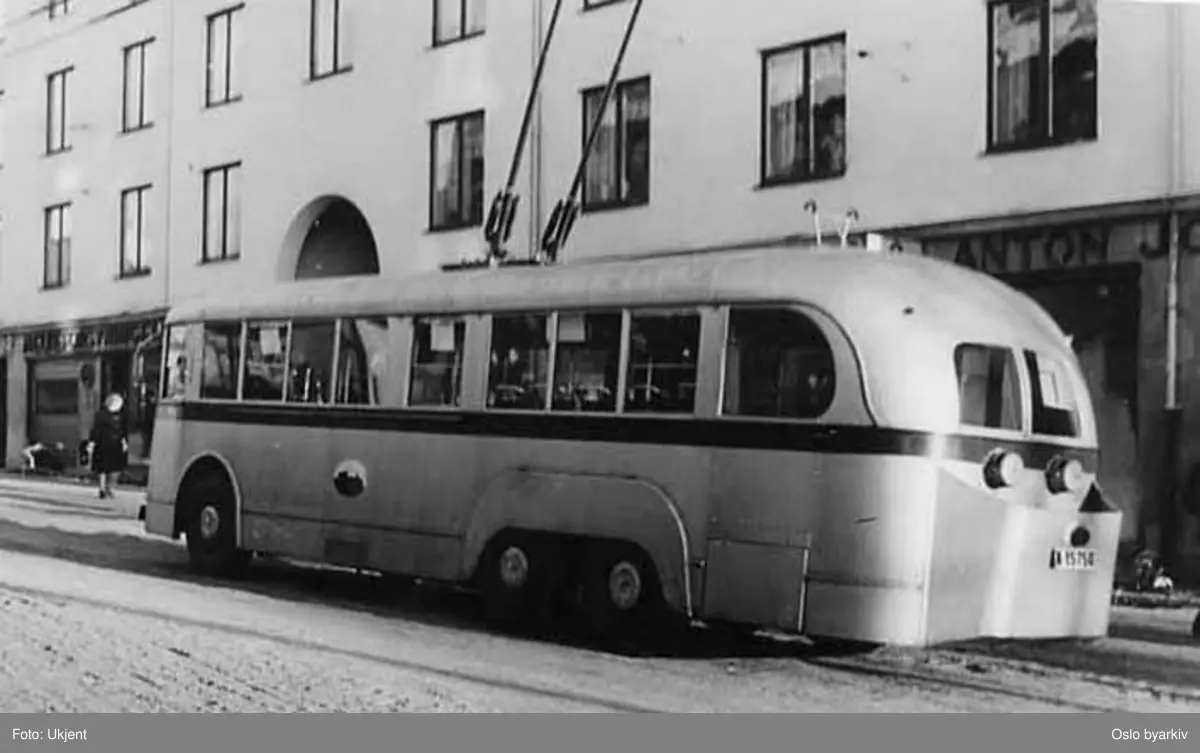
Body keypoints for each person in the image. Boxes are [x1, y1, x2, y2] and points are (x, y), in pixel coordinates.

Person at [88, 392, 129, 499]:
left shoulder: (100, 415)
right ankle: (109, 488)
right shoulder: (121, 417)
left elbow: (95, 430)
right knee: (114, 468)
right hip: (114, 445)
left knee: (103, 468)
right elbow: (123, 431)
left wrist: (92, 442)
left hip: (103, 444)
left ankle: (103, 488)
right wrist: (124, 442)